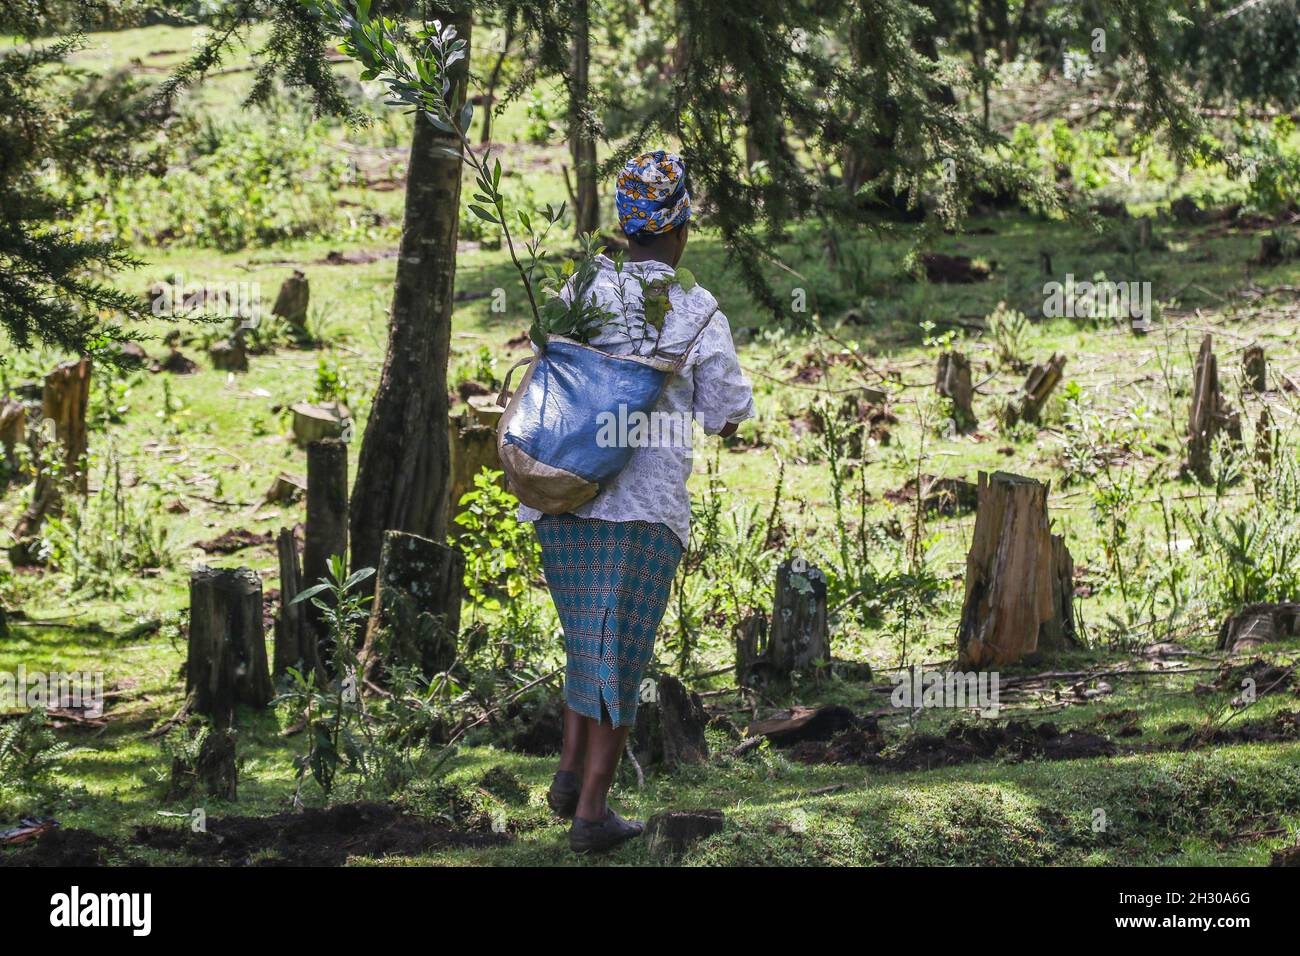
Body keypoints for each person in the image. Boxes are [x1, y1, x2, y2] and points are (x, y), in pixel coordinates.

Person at [517, 149, 755, 854]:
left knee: (586, 638)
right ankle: (591, 810)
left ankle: (567, 775)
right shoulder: (693, 306)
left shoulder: (581, 286)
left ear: (626, 226)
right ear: (680, 228)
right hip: (643, 508)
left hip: (560, 494)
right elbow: (726, 409)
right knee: (619, 654)